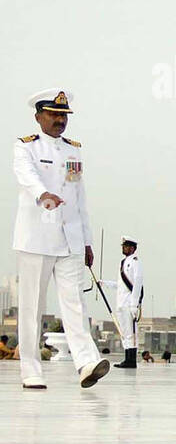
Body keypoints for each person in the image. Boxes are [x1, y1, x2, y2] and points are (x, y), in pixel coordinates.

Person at [11, 88, 109, 389]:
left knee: (75, 303)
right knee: (31, 307)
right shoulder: (25, 147)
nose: (59, 120)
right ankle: (31, 370)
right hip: (36, 238)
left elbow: (78, 197)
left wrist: (87, 240)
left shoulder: (73, 150)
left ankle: (86, 363)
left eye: (63, 116)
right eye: (53, 114)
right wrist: (43, 194)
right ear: (38, 116)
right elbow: (25, 175)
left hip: (70, 238)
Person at [113, 236, 144, 368]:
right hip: (121, 302)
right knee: (124, 331)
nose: (123, 248)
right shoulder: (124, 262)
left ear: (132, 248)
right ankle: (126, 358)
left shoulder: (135, 262)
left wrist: (134, 304)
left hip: (129, 303)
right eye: (123, 246)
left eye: (126, 246)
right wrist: (105, 284)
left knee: (131, 331)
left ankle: (131, 360)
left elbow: (137, 283)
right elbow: (121, 285)